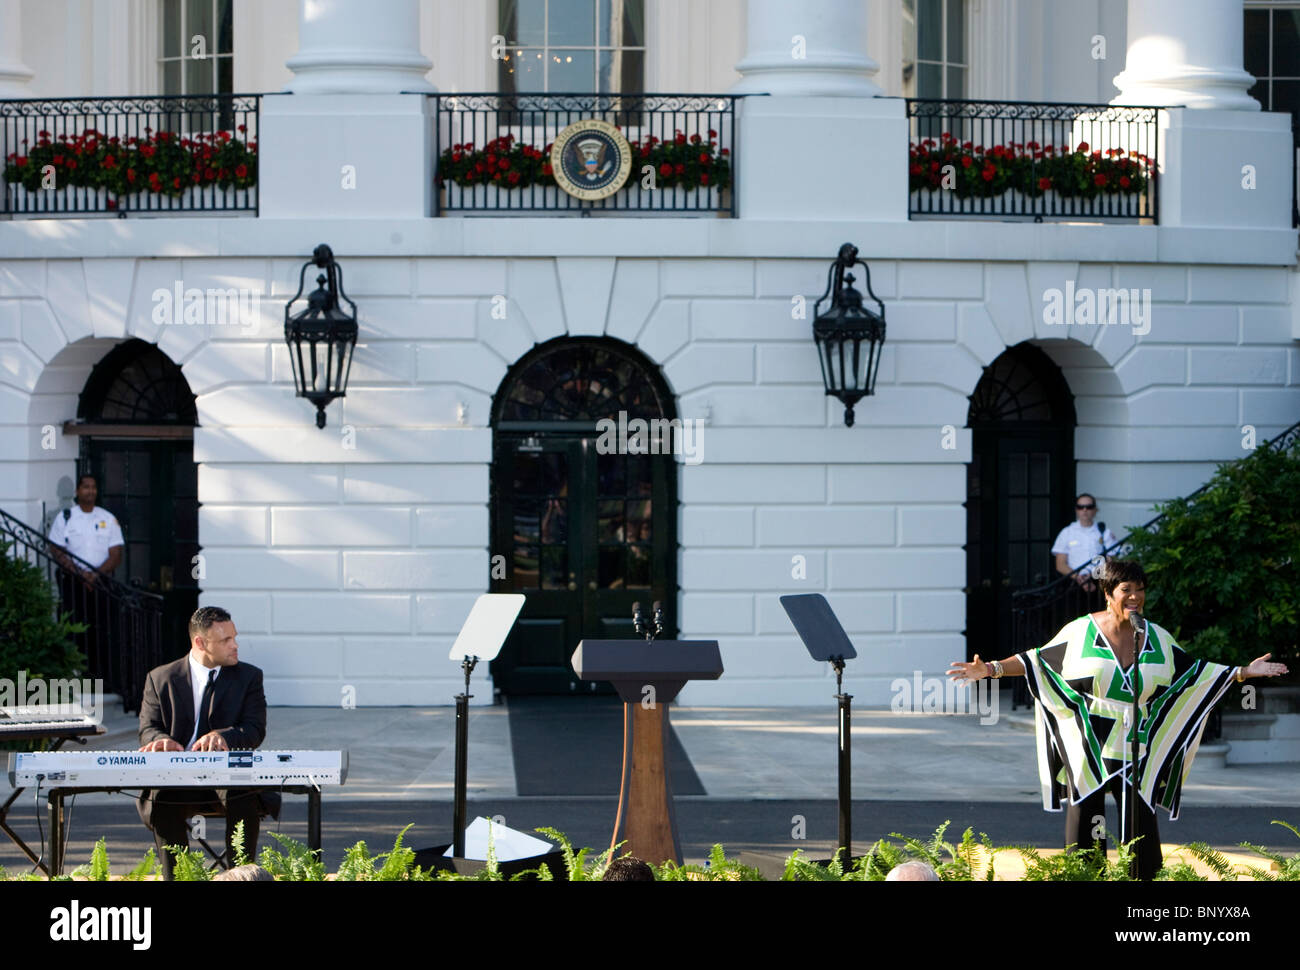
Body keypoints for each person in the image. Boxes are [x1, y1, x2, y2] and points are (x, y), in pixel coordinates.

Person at [947, 559, 1288, 880]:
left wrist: (1243, 672)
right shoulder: (1080, 632)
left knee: (1141, 831)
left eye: (1140, 588)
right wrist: (990, 669)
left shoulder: (1156, 637)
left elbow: (1193, 673)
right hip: (1089, 741)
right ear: (1109, 594)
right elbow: (1037, 661)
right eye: (1126, 589)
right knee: (1086, 826)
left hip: (1138, 744)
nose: (1135, 596)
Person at [136, 606, 278, 880]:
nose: (235, 646)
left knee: (243, 793)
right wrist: (161, 741)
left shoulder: (249, 677)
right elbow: (147, 729)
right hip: (178, 777)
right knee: (162, 800)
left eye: (234, 637)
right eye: (226, 640)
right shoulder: (160, 678)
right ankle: (177, 878)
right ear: (200, 643)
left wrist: (224, 737)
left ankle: (240, 877)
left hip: (227, 777)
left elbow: (254, 730)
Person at [47, 473, 124, 679]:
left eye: (93, 487)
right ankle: (73, 673)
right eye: (85, 487)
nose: (90, 491)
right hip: (72, 581)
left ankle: (102, 675)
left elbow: (116, 554)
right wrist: (81, 574)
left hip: (101, 582)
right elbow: (56, 549)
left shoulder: (108, 518)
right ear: (77, 492)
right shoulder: (66, 517)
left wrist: (95, 575)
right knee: (73, 626)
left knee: (102, 628)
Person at [1051, 493, 1117, 592]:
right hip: (1073, 583)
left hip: (1098, 582)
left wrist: (1091, 575)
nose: (1084, 510)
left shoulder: (1104, 532)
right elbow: (1060, 564)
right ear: (1076, 510)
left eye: (1089, 507)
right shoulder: (1067, 532)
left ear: (1095, 510)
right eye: (1080, 507)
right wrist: (1078, 578)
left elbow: (1111, 559)